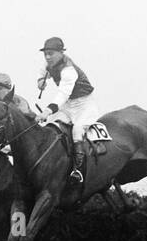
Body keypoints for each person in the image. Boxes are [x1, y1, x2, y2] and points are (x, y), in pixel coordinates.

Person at [35, 36, 100, 182]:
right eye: (45, 54)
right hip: (68, 105)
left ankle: (78, 170)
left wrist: (47, 111)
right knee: (49, 125)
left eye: (51, 53)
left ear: (61, 53)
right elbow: (42, 70)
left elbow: (62, 95)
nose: (47, 57)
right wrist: (40, 81)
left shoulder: (69, 70)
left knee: (77, 130)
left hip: (84, 105)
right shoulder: (49, 63)